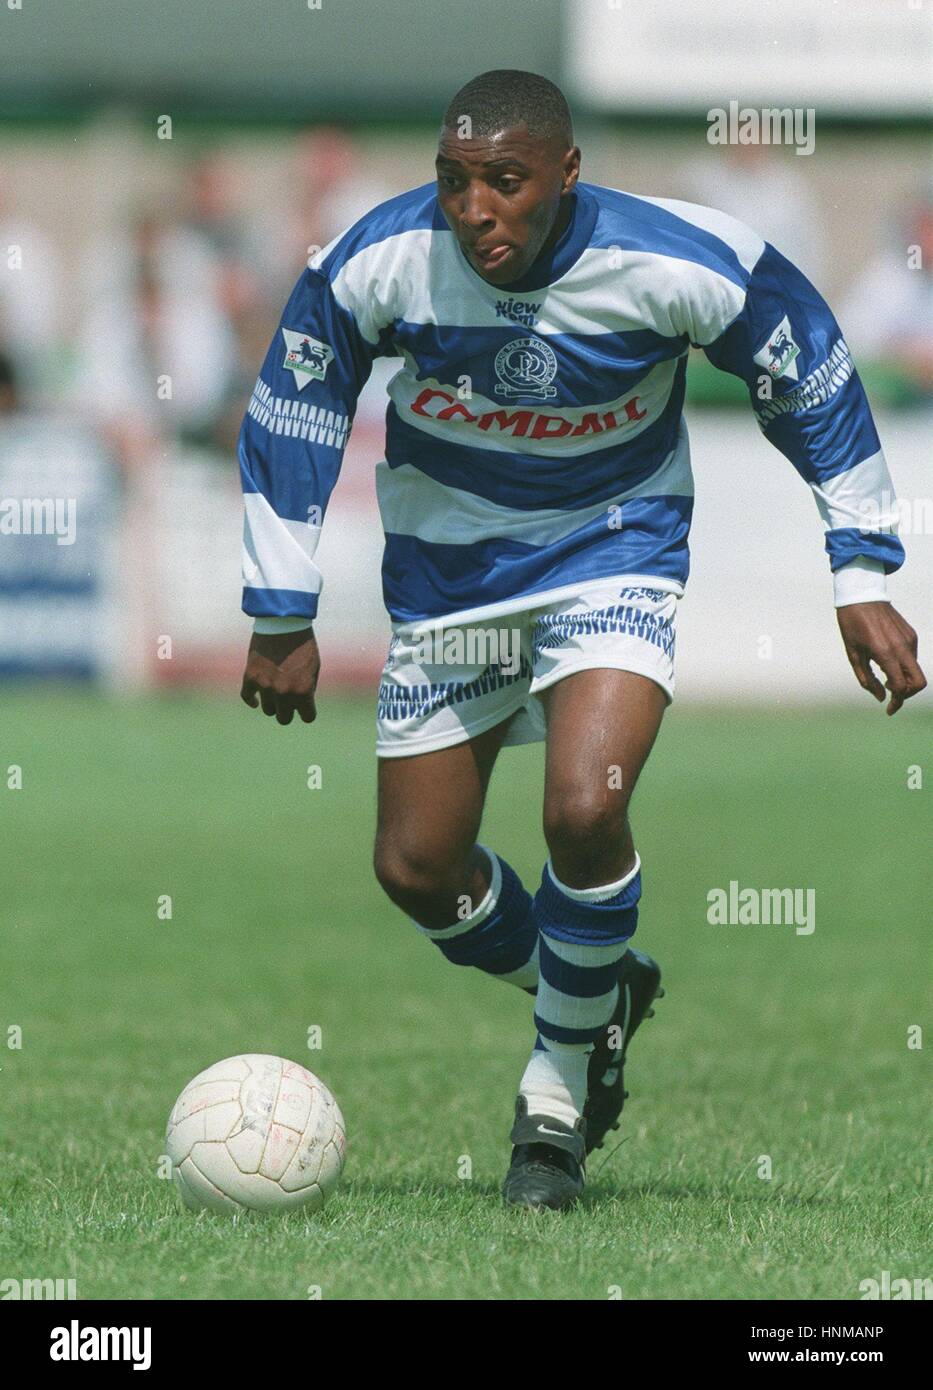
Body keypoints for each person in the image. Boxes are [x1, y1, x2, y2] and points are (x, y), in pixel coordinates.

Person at [236, 71, 926, 1211]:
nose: (473, 210)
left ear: (565, 174)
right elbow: (296, 402)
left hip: (615, 552)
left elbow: (809, 373)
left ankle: (552, 1101)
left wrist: (859, 572)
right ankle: (606, 983)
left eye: (504, 182)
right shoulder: (380, 255)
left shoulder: (681, 259)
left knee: (585, 806)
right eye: (454, 181)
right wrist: (279, 607)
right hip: (450, 578)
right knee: (417, 869)